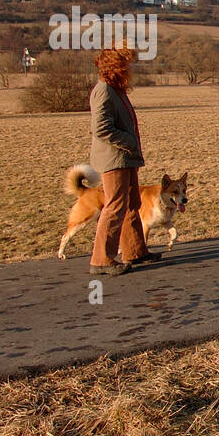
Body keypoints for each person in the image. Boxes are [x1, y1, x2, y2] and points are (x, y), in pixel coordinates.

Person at [88, 44, 158, 276]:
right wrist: (128, 141)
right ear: (115, 68)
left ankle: (136, 251)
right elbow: (101, 129)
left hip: (125, 157)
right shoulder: (104, 91)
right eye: (126, 65)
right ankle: (101, 259)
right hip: (114, 159)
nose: (130, 70)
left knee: (132, 204)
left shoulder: (115, 90)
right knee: (115, 207)